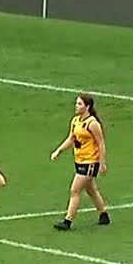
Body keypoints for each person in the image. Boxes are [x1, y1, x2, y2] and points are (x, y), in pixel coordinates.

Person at [50, 93, 111, 231]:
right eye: (76, 103)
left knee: (75, 190)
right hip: (79, 160)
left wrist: (102, 163)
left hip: (90, 162)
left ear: (87, 106)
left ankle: (68, 220)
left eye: (79, 104)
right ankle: (103, 214)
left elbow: (101, 143)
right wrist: (59, 150)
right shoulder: (76, 121)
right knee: (91, 190)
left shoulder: (92, 123)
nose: (76, 106)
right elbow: (71, 139)